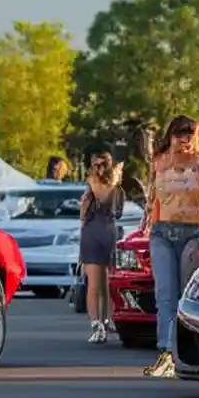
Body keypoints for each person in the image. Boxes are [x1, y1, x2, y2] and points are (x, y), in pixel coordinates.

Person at [143, 115, 199, 379]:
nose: (184, 140)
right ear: (170, 136)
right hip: (162, 231)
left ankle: (192, 351)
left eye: (190, 135)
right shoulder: (159, 161)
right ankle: (166, 352)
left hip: (191, 232)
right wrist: (148, 224)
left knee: (188, 294)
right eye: (179, 134)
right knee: (165, 293)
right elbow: (153, 197)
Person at [79, 146, 124, 344]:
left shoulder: (91, 186)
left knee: (95, 285)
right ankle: (104, 322)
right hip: (109, 231)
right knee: (105, 284)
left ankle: (97, 324)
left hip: (92, 233)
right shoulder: (116, 189)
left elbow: (83, 215)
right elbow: (119, 211)